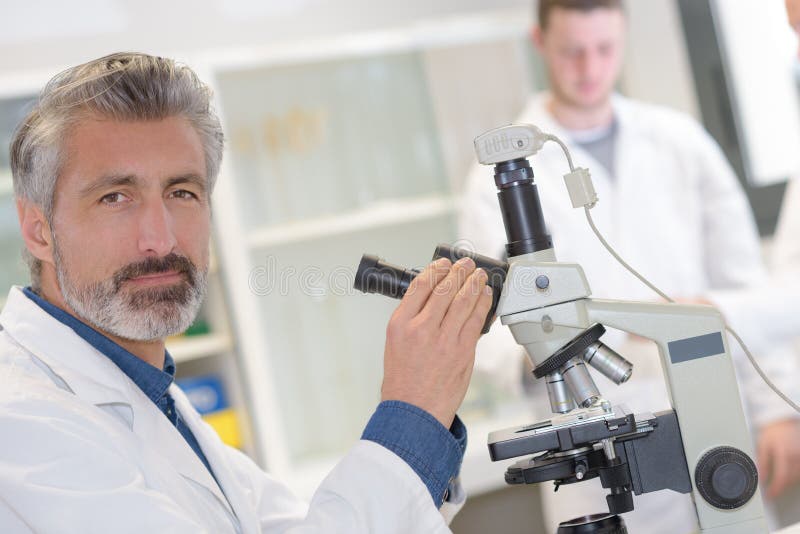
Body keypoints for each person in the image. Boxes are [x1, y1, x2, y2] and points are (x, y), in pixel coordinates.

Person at [0, 52, 494, 533]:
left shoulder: (150, 394)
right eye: (115, 197)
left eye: (181, 192)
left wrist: (425, 403)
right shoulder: (18, 420)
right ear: (39, 230)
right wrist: (413, 412)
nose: (161, 238)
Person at [459, 0, 800, 531]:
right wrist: (546, 357)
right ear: (540, 42)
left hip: (713, 407)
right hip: (588, 432)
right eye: (573, 52)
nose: (590, 68)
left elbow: (742, 285)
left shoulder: (679, 141)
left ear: (623, 37)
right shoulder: (496, 179)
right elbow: (487, 322)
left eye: (604, 49)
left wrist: (775, 406)